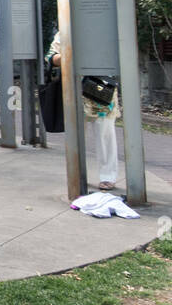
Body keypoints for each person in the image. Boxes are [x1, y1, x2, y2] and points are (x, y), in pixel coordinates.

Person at [48, 31, 120, 191]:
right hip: (74, 89)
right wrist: (66, 57)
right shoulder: (65, 32)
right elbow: (51, 57)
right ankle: (77, 173)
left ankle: (108, 175)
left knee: (105, 132)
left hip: (101, 88)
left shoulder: (104, 28)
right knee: (76, 134)